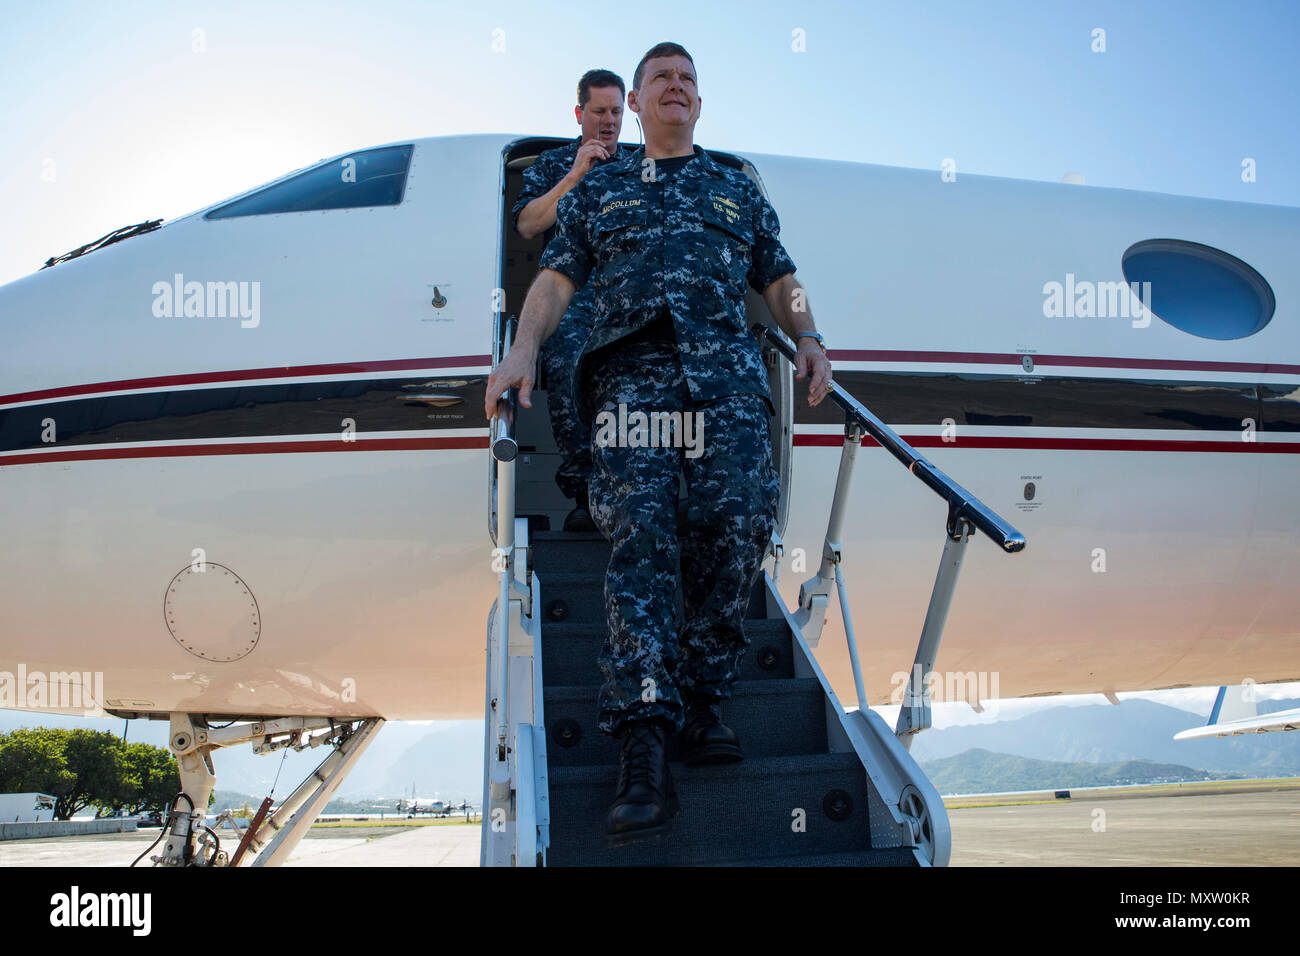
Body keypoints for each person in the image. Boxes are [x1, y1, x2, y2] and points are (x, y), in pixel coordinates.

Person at [485, 42, 832, 845]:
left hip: (729, 389)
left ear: (698, 106)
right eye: (660, 79)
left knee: (736, 531)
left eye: (688, 80)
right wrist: (524, 347)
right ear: (634, 105)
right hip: (633, 383)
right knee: (641, 533)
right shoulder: (601, 185)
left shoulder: (733, 188)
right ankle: (644, 738)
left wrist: (809, 335)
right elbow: (556, 276)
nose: (675, 88)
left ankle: (706, 696)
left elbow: (780, 275)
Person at [511, 68, 626, 533]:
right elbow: (528, 224)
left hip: (625, 302)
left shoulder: (644, 166)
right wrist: (576, 174)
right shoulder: (553, 163)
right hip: (572, 302)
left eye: (617, 111)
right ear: (579, 113)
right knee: (566, 373)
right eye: (599, 111)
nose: (609, 121)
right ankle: (584, 496)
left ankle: (627, 498)